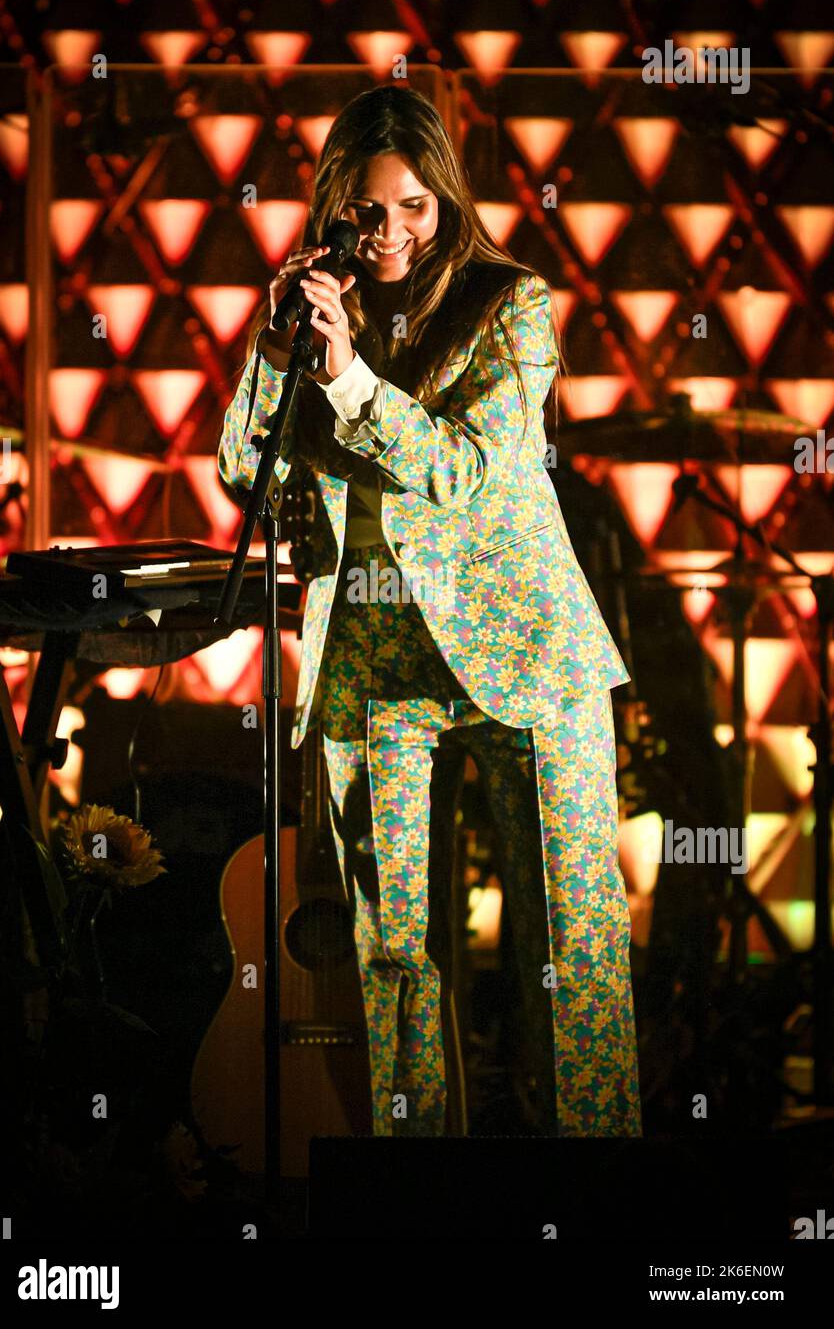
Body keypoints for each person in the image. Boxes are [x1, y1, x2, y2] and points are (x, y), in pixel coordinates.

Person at [218, 84, 642, 1139]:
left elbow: (459, 473)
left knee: (572, 942)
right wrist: (278, 353)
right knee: (388, 950)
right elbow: (240, 472)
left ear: (446, 200)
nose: (389, 232)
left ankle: (588, 1183)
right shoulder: (311, 313)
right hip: (374, 660)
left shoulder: (510, 304)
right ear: (330, 212)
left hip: (528, 654)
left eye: (413, 207)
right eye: (365, 211)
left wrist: (354, 380)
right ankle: (414, 1183)